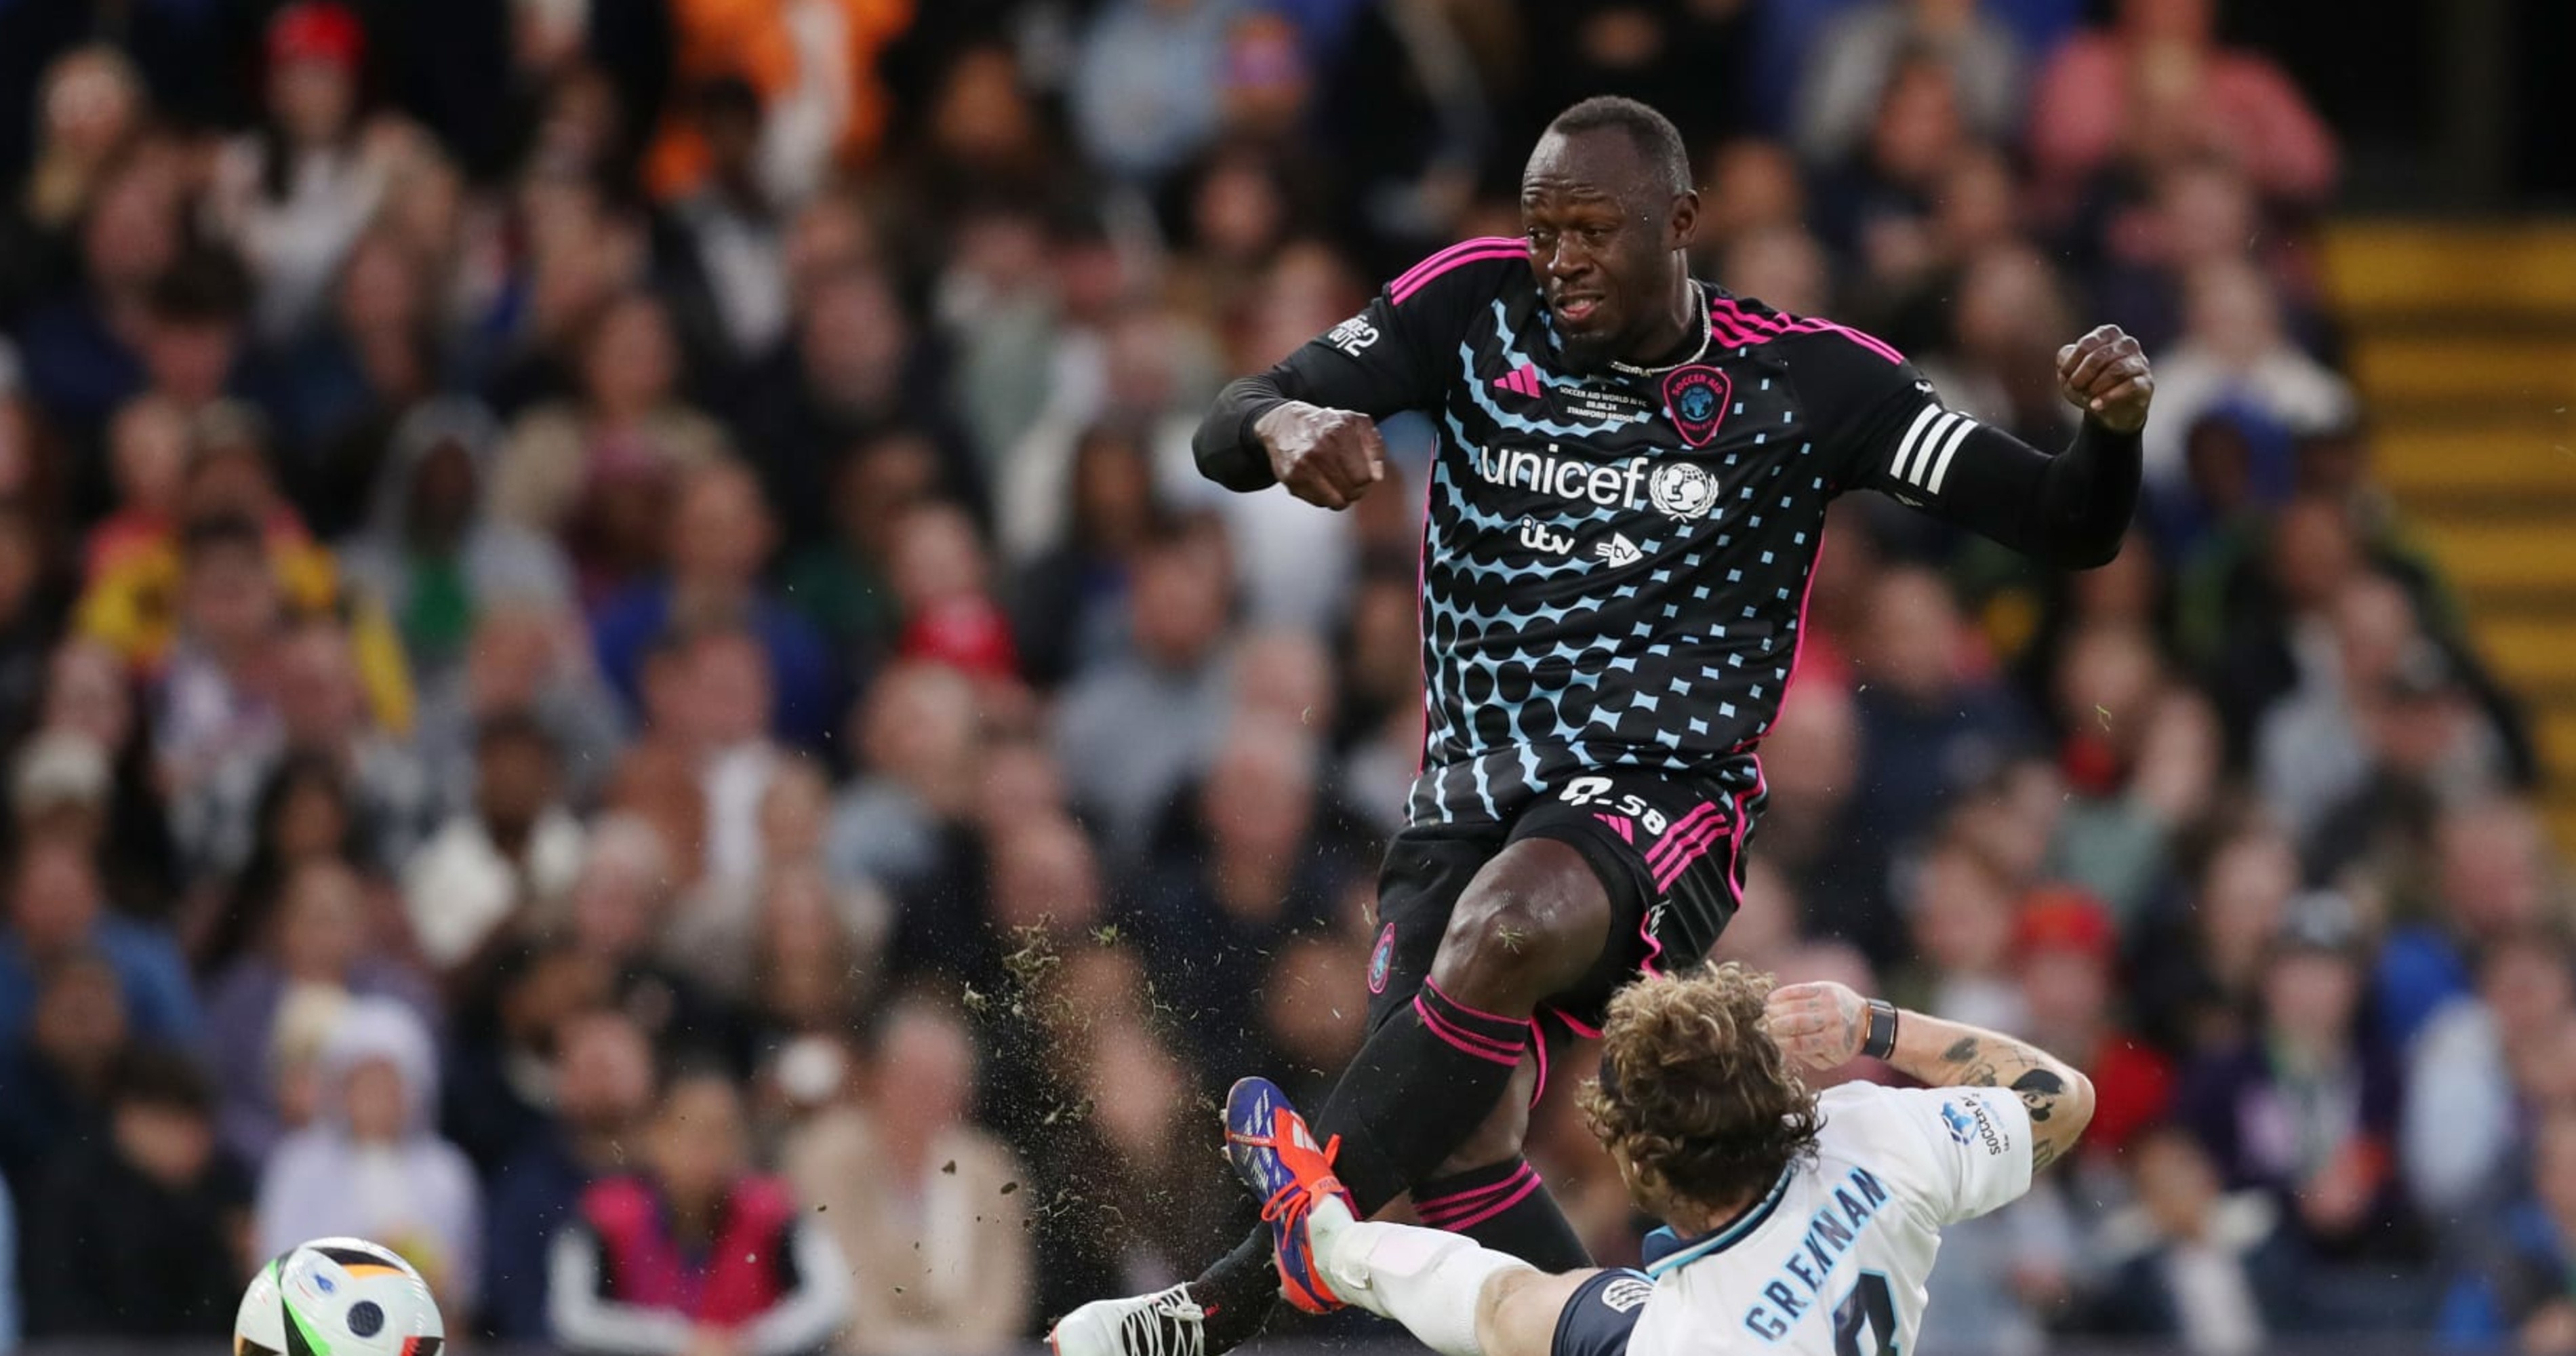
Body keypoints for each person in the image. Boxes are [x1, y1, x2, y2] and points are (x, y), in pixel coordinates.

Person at [1054, 94, 2152, 1354]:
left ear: (1679, 223)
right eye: (1543, 231)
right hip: (1465, 795)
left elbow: (2073, 523)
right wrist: (1287, 423)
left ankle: (1224, 1303)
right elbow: (1225, 423)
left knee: (1514, 927)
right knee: (1461, 1155)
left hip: (1666, 796)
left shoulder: (1805, 381)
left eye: (1592, 230)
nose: (1561, 259)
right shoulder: (1474, 310)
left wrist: (2112, 432)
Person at [1175, 961, 2093, 1356]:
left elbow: (1493, 1305)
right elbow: (2060, 1097)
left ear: (1644, 1175)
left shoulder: (1675, 1340)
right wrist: (1874, 1023)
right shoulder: (1880, 1144)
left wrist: (1330, 1238)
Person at [547, 1066, 851, 1356]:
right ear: (656, 1135)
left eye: (723, 1131)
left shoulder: (777, 1215)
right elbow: (571, 1316)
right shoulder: (604, 1218)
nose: (708, 1149)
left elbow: (832, 1300)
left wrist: (748, 1344)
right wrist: (676, 1341)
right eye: (691, 1129)